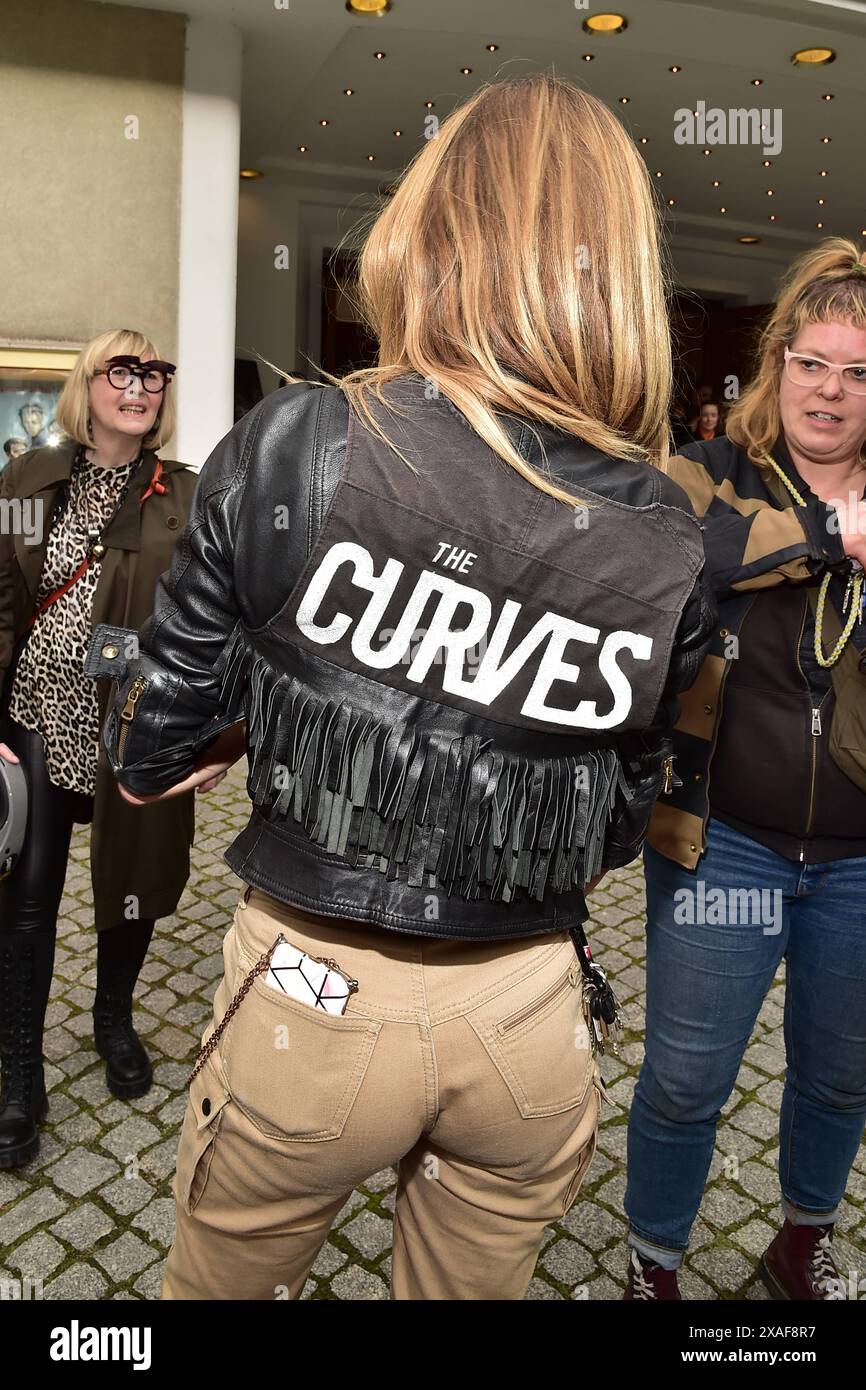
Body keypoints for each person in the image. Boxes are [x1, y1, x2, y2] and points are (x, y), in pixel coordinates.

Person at [92, 75, 714, 1301]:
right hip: (525, 1022)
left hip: (310, 1004)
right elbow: (607, 827)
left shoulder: (298, 442)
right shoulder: (667, 540)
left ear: (425, 240)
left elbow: (146, 755)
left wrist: (256, 713)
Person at [625, 238, 866, 1301]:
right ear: (772, 365)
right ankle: (652, 1262)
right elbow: (689, 558)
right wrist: (831, 532)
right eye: (811, 362)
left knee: (839, 1076)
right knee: (683, 1079)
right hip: (720, 839)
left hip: (859, 860)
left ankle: (798, 1240)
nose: (830, 390)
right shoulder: (705, 469)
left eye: (859, 372)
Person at [0, 329, 202, 1170]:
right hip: (39, 712)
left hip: (136, 725)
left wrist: (212, 729)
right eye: (123, 369)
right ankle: (17, 1074)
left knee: (129, 881)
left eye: (153, 372)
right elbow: (0, 595)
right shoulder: (23, 480)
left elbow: (211, 619)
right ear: (89, 386)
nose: (141, 384)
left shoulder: (184, 496)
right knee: (29, 892)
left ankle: (112, 1020)